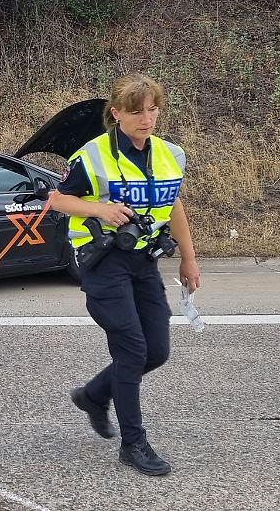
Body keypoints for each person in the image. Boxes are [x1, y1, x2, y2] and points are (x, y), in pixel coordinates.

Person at [51, 73, 201, 476]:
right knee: (132, 350)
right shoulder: (93, 154)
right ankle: (134, 444)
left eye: (153, 109)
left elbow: (175, 207)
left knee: (157, 350)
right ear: (116, 113)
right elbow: (57, 200)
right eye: (136, 111)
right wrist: (99, 209)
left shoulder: (172, 154)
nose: (147, 119)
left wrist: (188, 259)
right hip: (103, 264)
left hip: (144, 261)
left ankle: (94, 395)